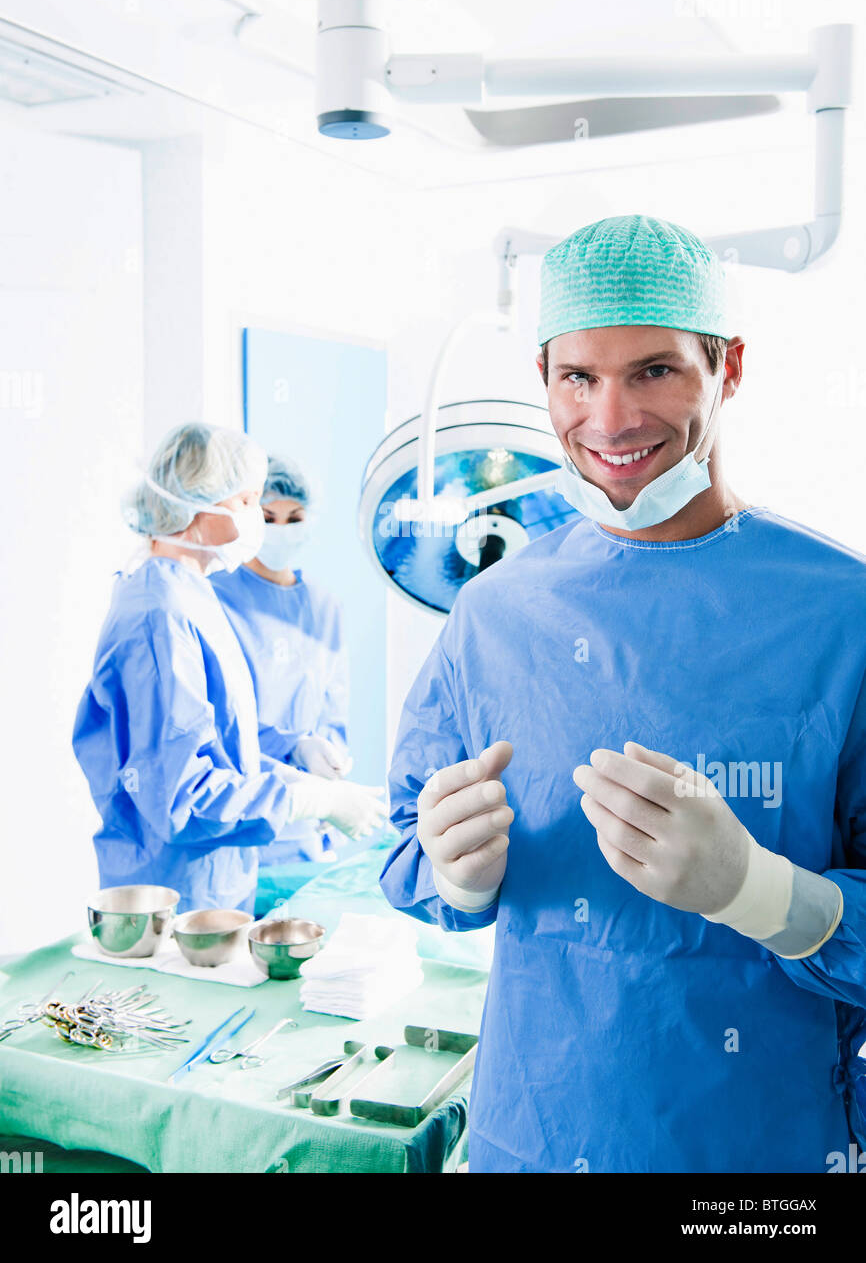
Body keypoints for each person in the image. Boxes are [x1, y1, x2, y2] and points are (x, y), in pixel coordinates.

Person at [380, 214, 866, 1173]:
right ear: (542, 379)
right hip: (536, 1132)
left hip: (758, 1156)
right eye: (578, 377)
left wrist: (762, 892)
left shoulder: (842, 615)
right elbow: (407, 843)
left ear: (728, 368)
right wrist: (455, 874)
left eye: (654, 371)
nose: (610, 420)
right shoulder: (493, 612)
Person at [73, 423, 387, 914]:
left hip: (213, 888)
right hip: (172, 898)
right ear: (197, 505)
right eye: (247, 501)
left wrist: (296, 756)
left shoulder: (189, 595)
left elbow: (214, 740)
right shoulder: (160, 615)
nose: (256, 519)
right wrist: (307, 801)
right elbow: (181, 795)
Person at [212, 454, 360, 867]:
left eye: (294, 518)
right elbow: (217, 722)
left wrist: (330, 766)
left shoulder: (325, 609)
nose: (280, 529)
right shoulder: (215, 599)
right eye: (268, 517)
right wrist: (292, 748)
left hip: (305, 825)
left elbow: (332, 711)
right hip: (238, 812)